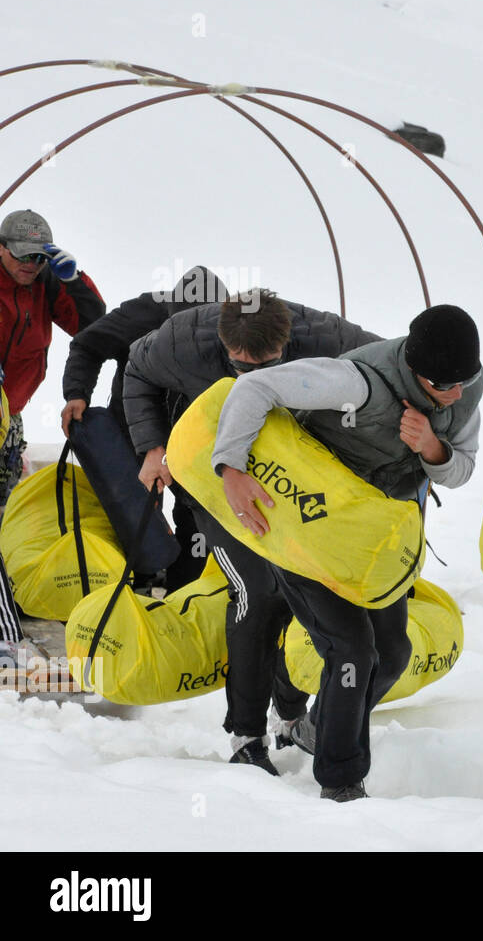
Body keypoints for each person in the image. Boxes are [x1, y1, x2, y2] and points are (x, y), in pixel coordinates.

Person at [210, 304, 482, 800]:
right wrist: (230, 468)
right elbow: (253, 387)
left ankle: (304, 716)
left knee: (393, 654)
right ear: (418, 374)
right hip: (308, 531)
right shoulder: (353, 382)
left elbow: (463, 469)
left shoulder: (461, 388)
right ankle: (341, 783)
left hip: (370, 543)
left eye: (466, 381)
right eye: (446, 386)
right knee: (352, 650)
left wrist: (432, 450)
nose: (458, 394)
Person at [124, 288, 379, 774]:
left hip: (290, 481)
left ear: (288, 342)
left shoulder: (324, 335)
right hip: (210, 476)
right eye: (242, 368)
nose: (254, 380)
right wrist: (152, 446)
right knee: (255, 590)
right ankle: (246, 734)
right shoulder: (181, 341)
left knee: (306, 590)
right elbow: (137, 371)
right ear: (223, 345)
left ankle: (289, 708)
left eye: (269, 366)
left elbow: (390, 367)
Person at [61, 266, 229, 589]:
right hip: (134, 428)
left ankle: (185, 595)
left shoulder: (232, 326)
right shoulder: (142, 313)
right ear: (171, 312)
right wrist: (77, 393)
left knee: (196, 516)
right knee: (135, 510)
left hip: (192, 436)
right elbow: (87, 344)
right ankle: (135, 582)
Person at [0, 209, 106, 505]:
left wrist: (73, 281)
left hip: (9, 415)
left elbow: (93, 329)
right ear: (1, 247)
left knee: (3, 500)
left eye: (38, 258)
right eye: (22, 256)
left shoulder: (47, 283)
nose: (30, 266)